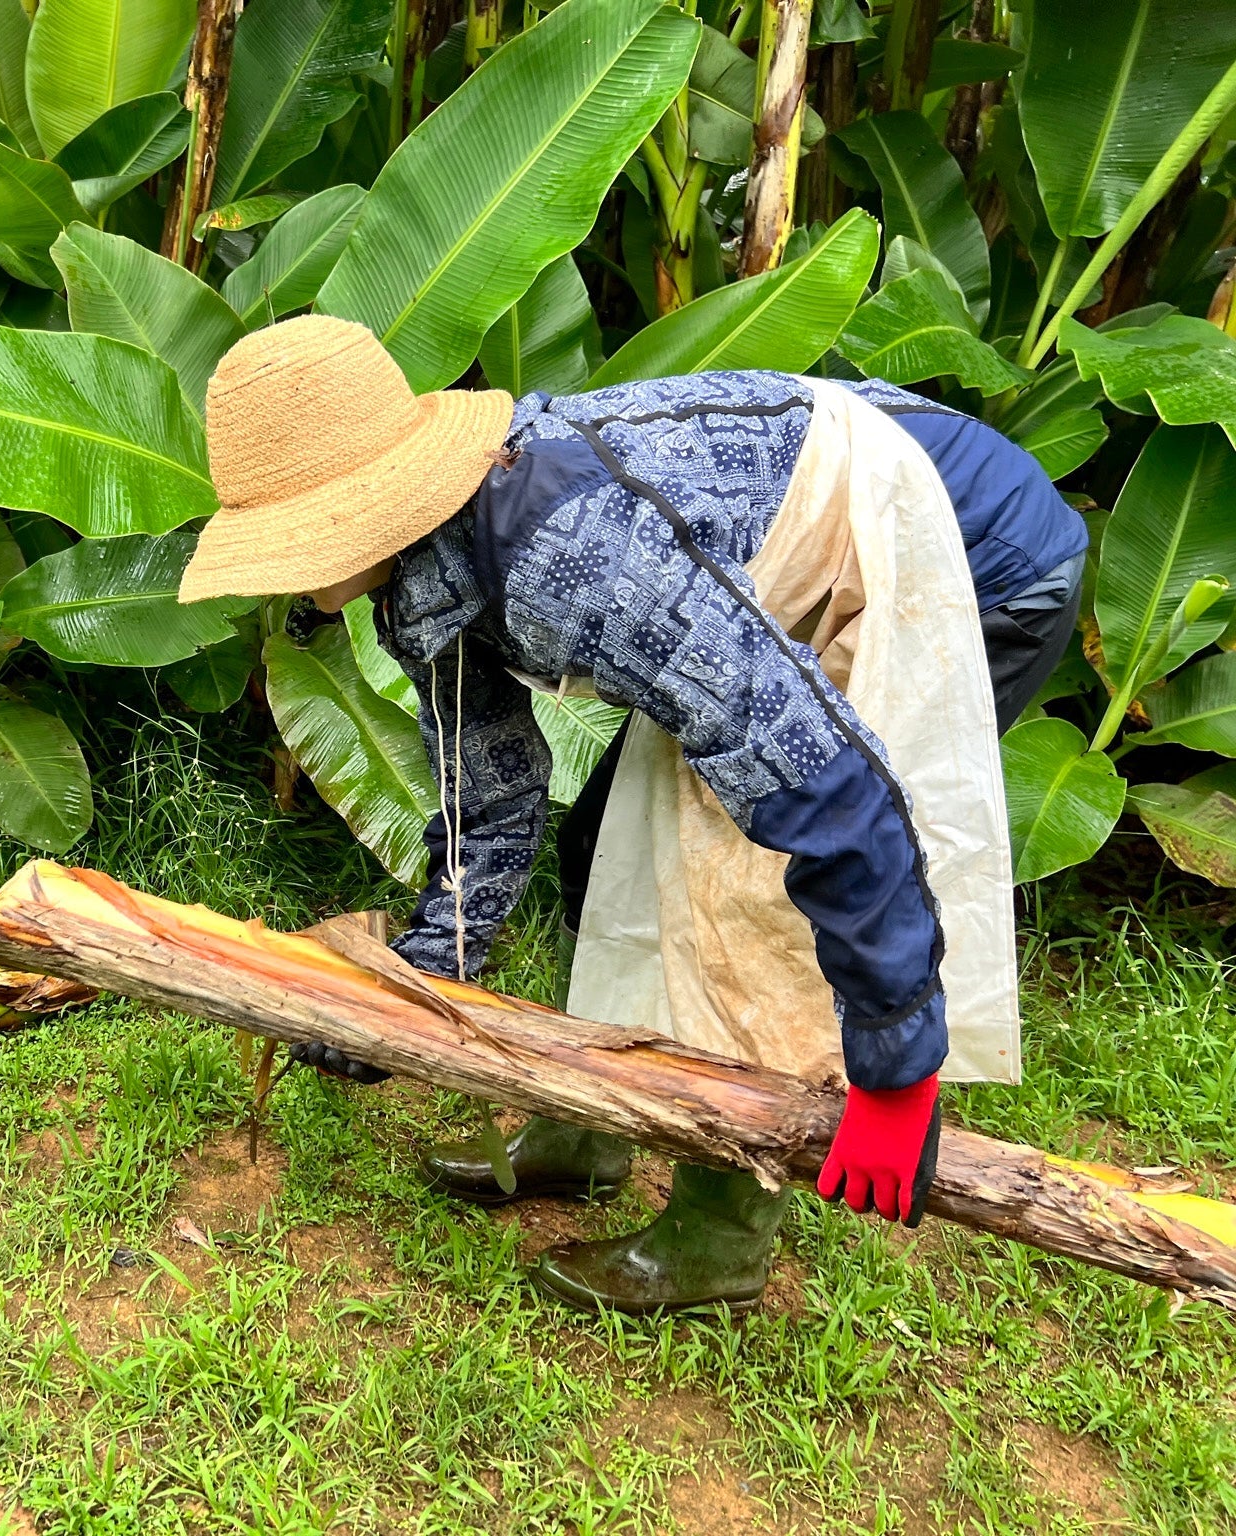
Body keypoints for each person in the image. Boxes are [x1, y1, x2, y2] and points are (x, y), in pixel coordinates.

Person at [176, 315, 1086, 1314]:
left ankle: (717, 1240)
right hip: (783, 549)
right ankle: (589, 1122)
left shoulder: (572, 558)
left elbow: (826, 789)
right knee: (601, 838)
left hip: (961, 547)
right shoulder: (417, 571)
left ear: (365, 509)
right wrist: (413, 986)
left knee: (746, 892)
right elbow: (488, 791)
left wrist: (896, 1066)